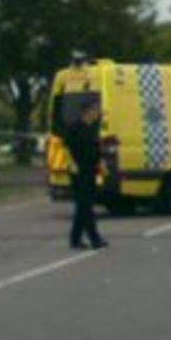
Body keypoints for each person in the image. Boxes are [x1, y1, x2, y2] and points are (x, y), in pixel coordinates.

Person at [62, 99, 109, 250]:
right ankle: (95, 238)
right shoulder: (75, 128)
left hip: (90, 171)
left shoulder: (92, 128)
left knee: (83, 206)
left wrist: (101, 162)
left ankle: (75, 239)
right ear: (87, 112)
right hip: (79, 171)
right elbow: (66, 148)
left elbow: (96, 149)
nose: (97, 114)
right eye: (95, 111)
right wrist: (72, 164)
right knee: (86, 206)